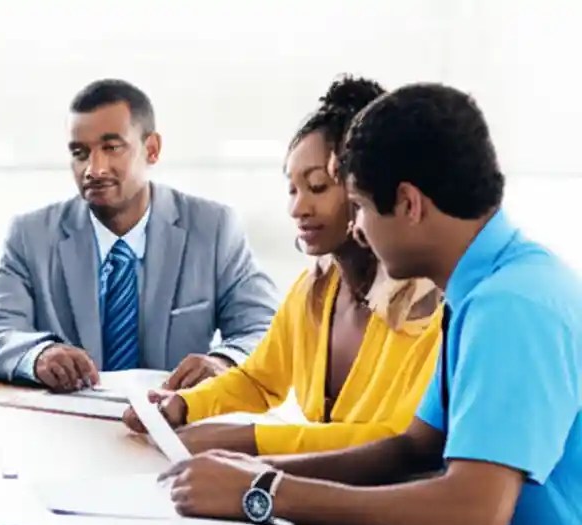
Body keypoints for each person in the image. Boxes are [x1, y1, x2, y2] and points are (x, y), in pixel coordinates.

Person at [159, 83, 582, 525]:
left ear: (408, 203)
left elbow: (474, 516)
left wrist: (266, 494)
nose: (354, 226)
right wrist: (253, 478)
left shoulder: (512, 304)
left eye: (356, 205)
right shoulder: (484, 287)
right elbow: (413, 447)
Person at [122, 77, 442, 456]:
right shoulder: (315, 291)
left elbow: (396, 441)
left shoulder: (430, 309)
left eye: (318, 186)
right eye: (293, 189)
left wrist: (248, 440)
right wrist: (185, 405)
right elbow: (259, 380)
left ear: (365, 184)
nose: (298, 208)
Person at [0, 79, 279, 392]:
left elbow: (266, 328)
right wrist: (38, 355)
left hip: (175, 426)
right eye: (80, 152)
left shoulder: (213, 228)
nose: (94, 169)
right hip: (65, 427)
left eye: (111, 148)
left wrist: (224, 362)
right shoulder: (30, 236)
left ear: (152, 149)